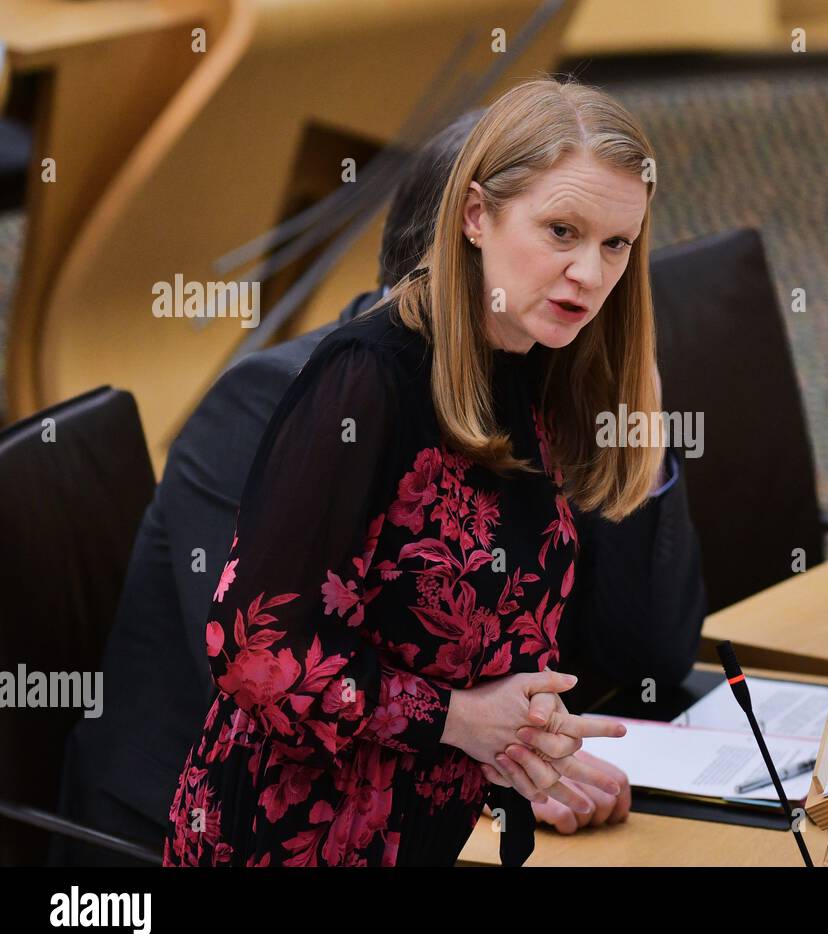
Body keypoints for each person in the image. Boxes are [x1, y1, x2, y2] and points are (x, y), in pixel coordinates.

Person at [160, 76, 702, 866]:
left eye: (616, 244)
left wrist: (518, 730)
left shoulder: (531, 370)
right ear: (476, 216)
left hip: (426, 833)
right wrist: (456, 719)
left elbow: (520, 634)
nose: (590, 273)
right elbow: (254, 652)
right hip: (285, 841)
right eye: (561, 231)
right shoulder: (369, 377)